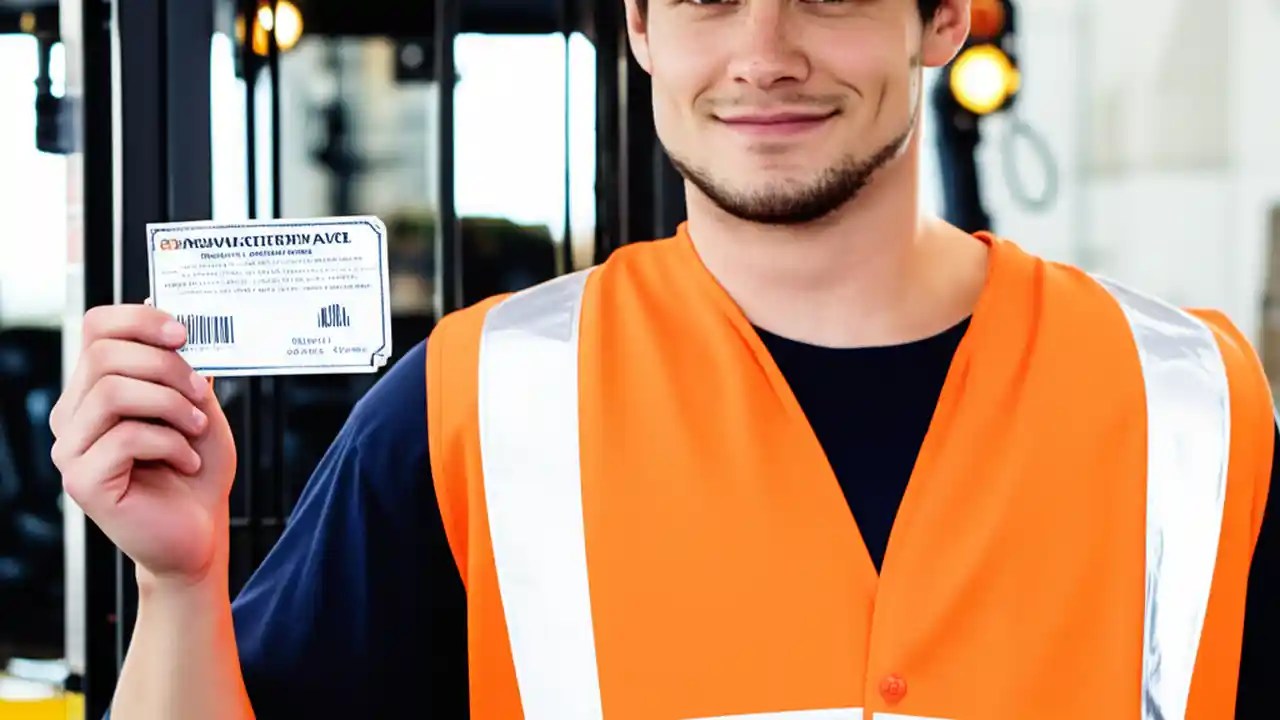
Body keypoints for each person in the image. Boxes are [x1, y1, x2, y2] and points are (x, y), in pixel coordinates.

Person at [51, 0, 1276, 717]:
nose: (763, 51)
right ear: (638, 24)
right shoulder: (475, 402)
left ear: (945, 16)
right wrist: (176, 588)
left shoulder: (1189, 404)